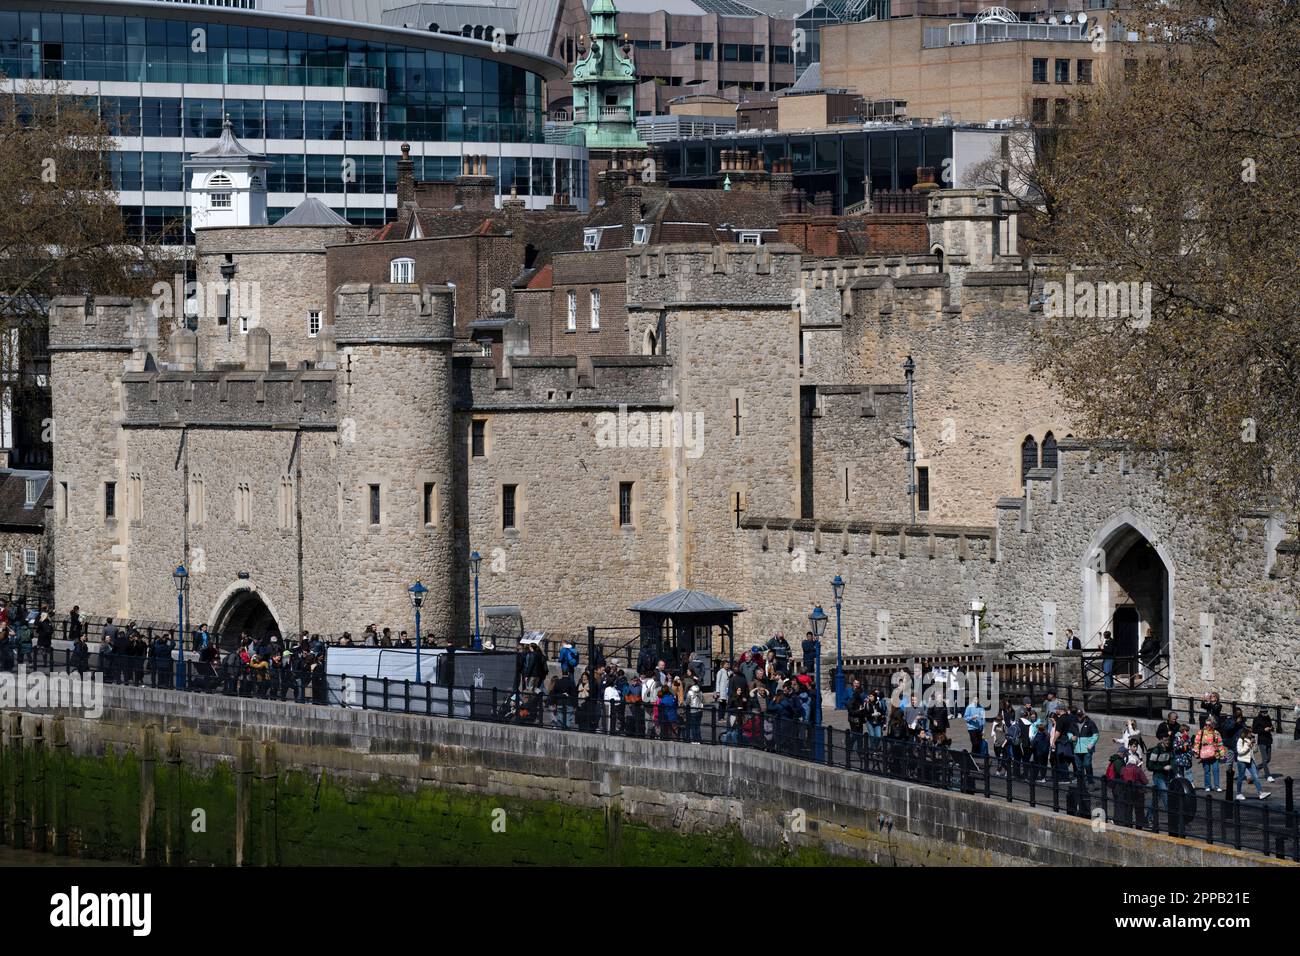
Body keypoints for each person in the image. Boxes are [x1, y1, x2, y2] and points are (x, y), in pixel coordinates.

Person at [1234, 727, 1270, 800]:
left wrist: (1254, 744)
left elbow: (1254, 751)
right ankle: (1238, 793)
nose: (1251, 733)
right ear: (1246, 733)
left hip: (1250, 761)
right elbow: (1240, 752)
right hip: (1242, 761)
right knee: (1240, 777)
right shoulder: (1241, 740)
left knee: (1255, 776)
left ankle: (1260, 793)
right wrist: (1248, 745)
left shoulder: (1249, 740)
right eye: (1250, 732)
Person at [1194, 718, 1225, 792]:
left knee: (1216, 770)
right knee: (1206, 771)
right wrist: (1197, 752)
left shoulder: (1216, 732)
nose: (1207, 726)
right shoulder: (1201, 732)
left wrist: (1222, 754)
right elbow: (1197, 742)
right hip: (1205, 754)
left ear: (1213, 725)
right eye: (1206, 724)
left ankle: (1217, 786)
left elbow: (1220, 744)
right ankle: (1207, 786)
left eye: (1209, 724)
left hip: (1215, 754)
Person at [1074, 709, 1099, 783]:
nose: (1079, 717)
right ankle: (1081, 782)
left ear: (1084, 715)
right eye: (1078, 715)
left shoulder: (1090, 723)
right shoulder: (1073, 723)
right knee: (1079, 767)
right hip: (1077, 748)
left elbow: (1096, 734)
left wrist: (1091, 744)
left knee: (1087, 764)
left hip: (1087, 748)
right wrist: (1070, 737)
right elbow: (1070, 732)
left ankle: (1090, 781)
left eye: (1081, 715)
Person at [1252, 707, 1276, 782]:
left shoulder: (1268, 718)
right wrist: (1263, 730)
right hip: (1261, 740)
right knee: (1265, 758)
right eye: (1264, 712)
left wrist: (1271, 728)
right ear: (1261, 712)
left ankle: (1257, 768)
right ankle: (1268, 775)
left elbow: (1272, 727)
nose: (1266, 714)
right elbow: (1254, 730)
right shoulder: (1256, 719)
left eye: (1266, 712)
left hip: (1268, 739)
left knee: (1268, 759)